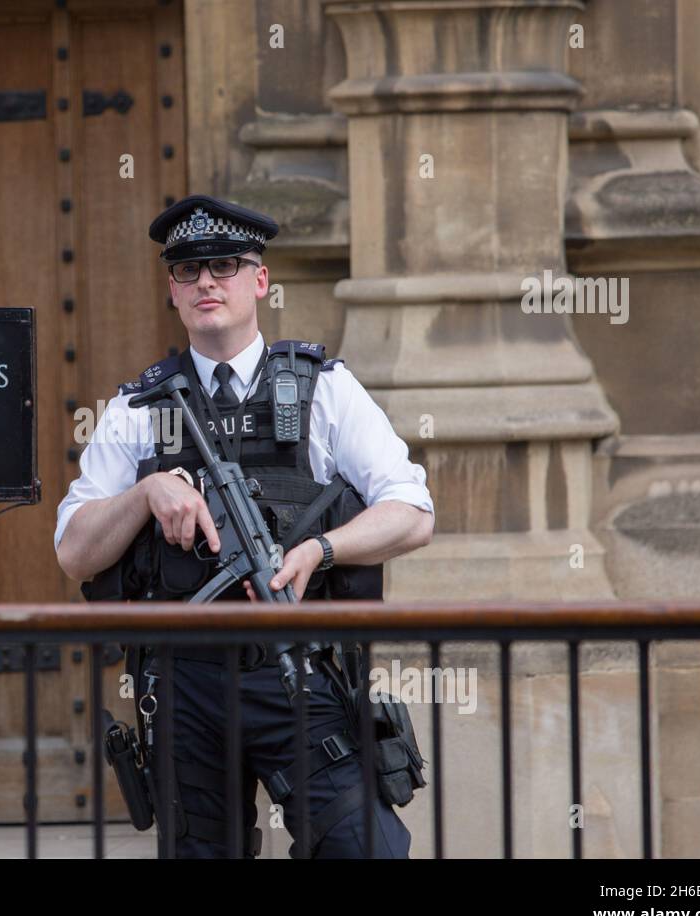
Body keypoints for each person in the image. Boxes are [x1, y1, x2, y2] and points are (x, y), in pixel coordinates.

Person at [54, 196, 435, 858]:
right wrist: (146, 492)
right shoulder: (139, 408)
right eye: (189, 268)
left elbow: (412, 511)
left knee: (363, 847)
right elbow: (73, 553)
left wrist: (321, 548)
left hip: (300, 666)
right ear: (172, 288)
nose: (206, 281)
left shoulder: (324, 388)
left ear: (259, 280)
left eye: (225, 265)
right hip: (185, 680)